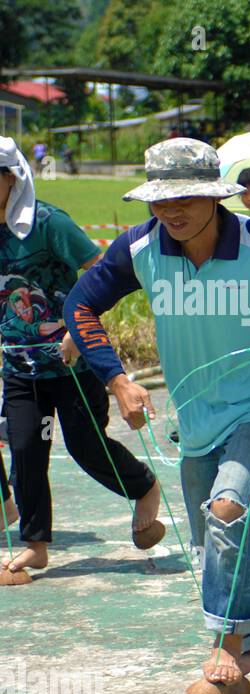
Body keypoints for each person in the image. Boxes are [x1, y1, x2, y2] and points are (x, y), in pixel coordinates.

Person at [63, 138, 250, 694]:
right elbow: (80, 305)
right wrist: (117, 378)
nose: (173, 212)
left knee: (229, 510)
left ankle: (225, 641)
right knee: (213, 536)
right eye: (161, 201)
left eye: (188, 199)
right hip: (195, 414)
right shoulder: (139, 248)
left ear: (215, 197)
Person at [0, 137, 163, 575]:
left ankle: (143, 486)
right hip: (19, 365)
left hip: (72, 362)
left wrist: (77, 328)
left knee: (85, 445)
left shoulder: (50, 223)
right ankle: (35, 544)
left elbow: (99, 272)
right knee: (26, 448)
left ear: (11, 178)